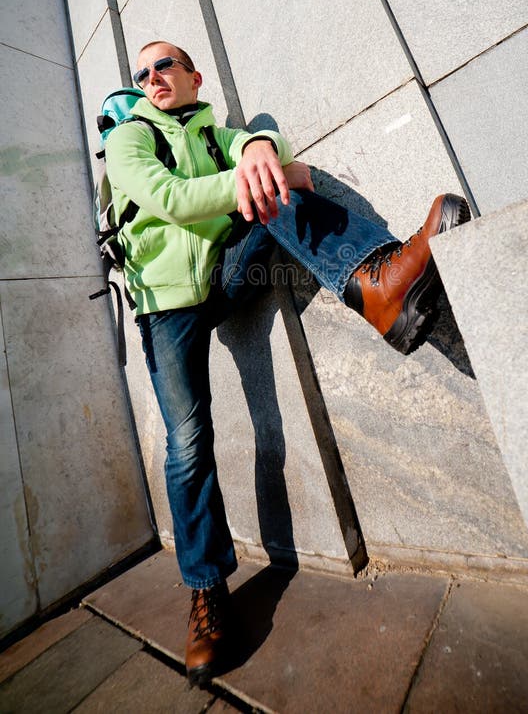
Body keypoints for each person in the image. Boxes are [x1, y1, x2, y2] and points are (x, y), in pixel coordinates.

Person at [104, 40, 470, 686]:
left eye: (164, 65)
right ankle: (207, 590)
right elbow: (169, 200)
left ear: (192, 76)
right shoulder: (130, 138)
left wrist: (259, 147)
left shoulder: (220, 132)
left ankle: (377, 285)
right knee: (189, 443)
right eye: (141, 72)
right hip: (165, 305)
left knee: (272, 194)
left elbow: (273, 144)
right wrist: (266, 167)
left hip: (222, 273)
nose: (151, 78)